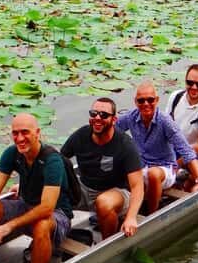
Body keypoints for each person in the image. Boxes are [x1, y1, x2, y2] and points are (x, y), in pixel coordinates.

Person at [0, 113, 73, 263]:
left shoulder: (52, 161)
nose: (19, 138)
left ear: (37, 133)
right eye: (15, 133)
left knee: (42, 225)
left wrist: (8, 226)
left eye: (25, 132)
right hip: (26, 205)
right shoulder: (12, 153)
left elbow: (46, 208)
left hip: (56, 215)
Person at [61, 97, 144, 239]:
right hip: (84, 188)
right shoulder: (81, 135)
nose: (97, 118)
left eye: (104, 115)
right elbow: (57, 161)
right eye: (94, 114)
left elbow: (137, 186)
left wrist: (131, 217)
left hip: (116, 193)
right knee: (53, 194)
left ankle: (107, 243)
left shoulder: (125, 144)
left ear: (114, 120)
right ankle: (57, 237)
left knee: (104, 202)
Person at [117, 81, 198, 213]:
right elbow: (112, 130)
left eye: (150, 100)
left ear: (156, 100)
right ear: (136, 102)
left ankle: (151, 213)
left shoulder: (165, 121)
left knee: (153, 174)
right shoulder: (131, 117)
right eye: (141, 101)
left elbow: (186, 150)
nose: (146, 104)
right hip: (141, 165)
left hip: (164, 167)